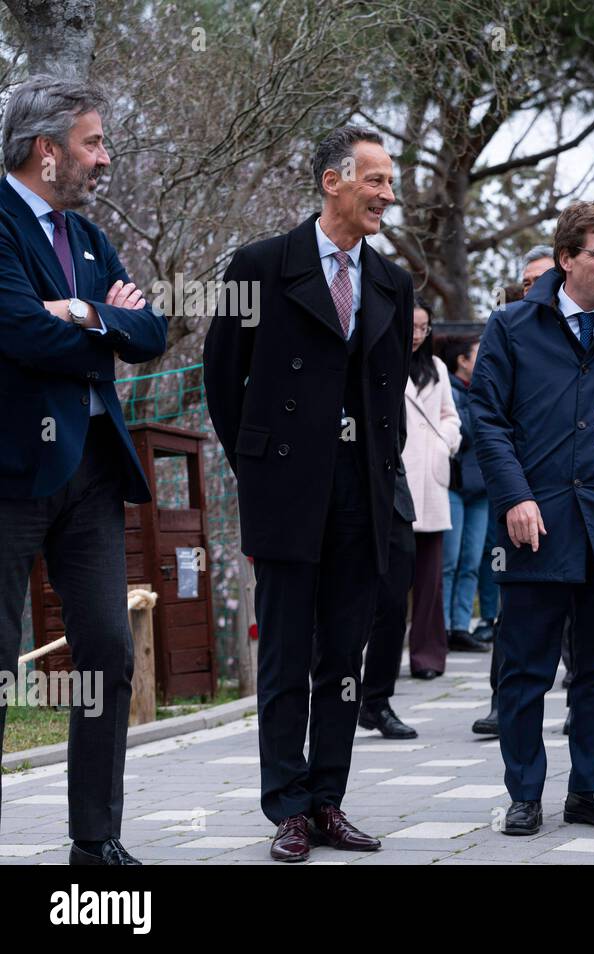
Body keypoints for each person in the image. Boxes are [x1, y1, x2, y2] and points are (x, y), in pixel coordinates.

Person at [203, 125, 414, 862]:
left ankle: (328, 801)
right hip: (289, 491)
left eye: (392, 182)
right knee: (286, 654)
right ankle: (286, 807)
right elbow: (222, 380)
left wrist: (385, 471)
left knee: (343, 662)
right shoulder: (261, 267)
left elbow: (387, 394)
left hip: (363, 494)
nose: (390, 194)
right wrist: (260, 468)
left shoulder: (390, 280)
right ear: (334, 182)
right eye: (378, 180)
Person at [0, 75, 168, 866]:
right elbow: (20, 336)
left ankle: (95, 841)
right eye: (92, 144)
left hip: (94, 473)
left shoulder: (90, 238)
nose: (104, 158)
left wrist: (85, 313)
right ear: (47, 150)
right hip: (11, 472)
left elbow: (153, 329)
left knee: (107, 646)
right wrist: (103, 323)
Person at [471, 201, 594, 836]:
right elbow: (488, 422)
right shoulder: (511, 326)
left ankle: (590, 788)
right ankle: (524, 792)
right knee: (524, 668)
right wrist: (515, 497)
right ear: (565, 259)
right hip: (535, 524)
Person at [404, 299, 464, 675]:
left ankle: (427, 657)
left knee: (430, 579)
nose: (416, 334)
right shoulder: (377, 358)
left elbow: (450, 416)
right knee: (389, 580)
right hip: (394, 480)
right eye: (410, 325)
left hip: (430, 479)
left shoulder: (438, 367)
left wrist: (444, 443)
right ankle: (380, 656)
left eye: (423, 327)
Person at [359, 466, 419, 739]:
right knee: (336, 608)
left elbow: (398, 431)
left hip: (391, 491)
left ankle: (376, 701)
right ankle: (337, 697)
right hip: (336, 488)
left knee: (395, 604)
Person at [442, 334, 492, 654]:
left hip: (481, 490)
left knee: (472, 561)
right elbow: (470, 432)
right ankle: (441, 626)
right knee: (448, 562)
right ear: (462, 360)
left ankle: (460, 626)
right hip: (454, 486)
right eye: (478, 354)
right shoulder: (447, 389)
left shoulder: (483, 390)